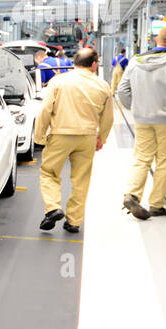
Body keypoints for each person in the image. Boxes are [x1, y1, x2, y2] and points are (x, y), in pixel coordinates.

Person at [33, 47, 114, 233]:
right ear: (94, 64)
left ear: (74, 62)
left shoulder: (58, 81)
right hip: (87, 137)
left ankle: (53, 208)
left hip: (60, 134)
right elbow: (108, 117)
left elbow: (45, 109)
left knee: (49, 173)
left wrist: (40, 135)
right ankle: (74, 221)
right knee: (81, 179)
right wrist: (102, 137)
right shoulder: (103, 85)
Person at [116, 25, 166, 220]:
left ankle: (132, 194)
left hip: (142, 119)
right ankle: (157, 204)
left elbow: (122, 91)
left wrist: (135, 107)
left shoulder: (135, 61)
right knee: (164, 160)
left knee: (142, 157)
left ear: (157, 40)